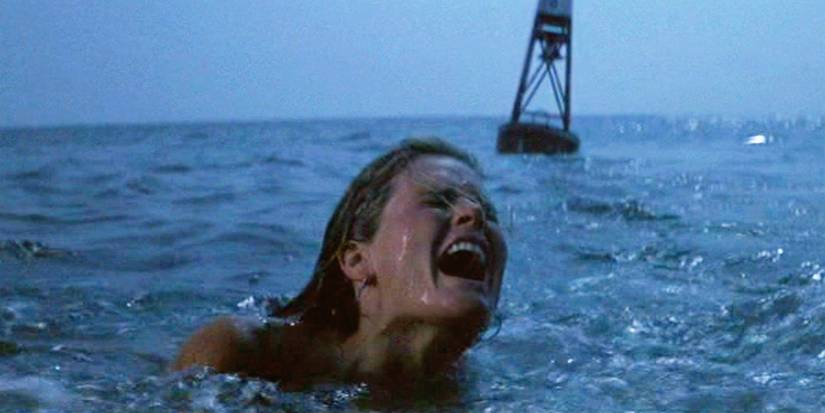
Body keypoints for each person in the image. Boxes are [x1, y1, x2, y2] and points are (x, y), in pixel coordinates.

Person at [173, 138, 508, 387]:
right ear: (357, 260)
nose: (476, 213)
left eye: (488, 211)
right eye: (439, 201)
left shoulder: (469, 387)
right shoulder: (239, 355)